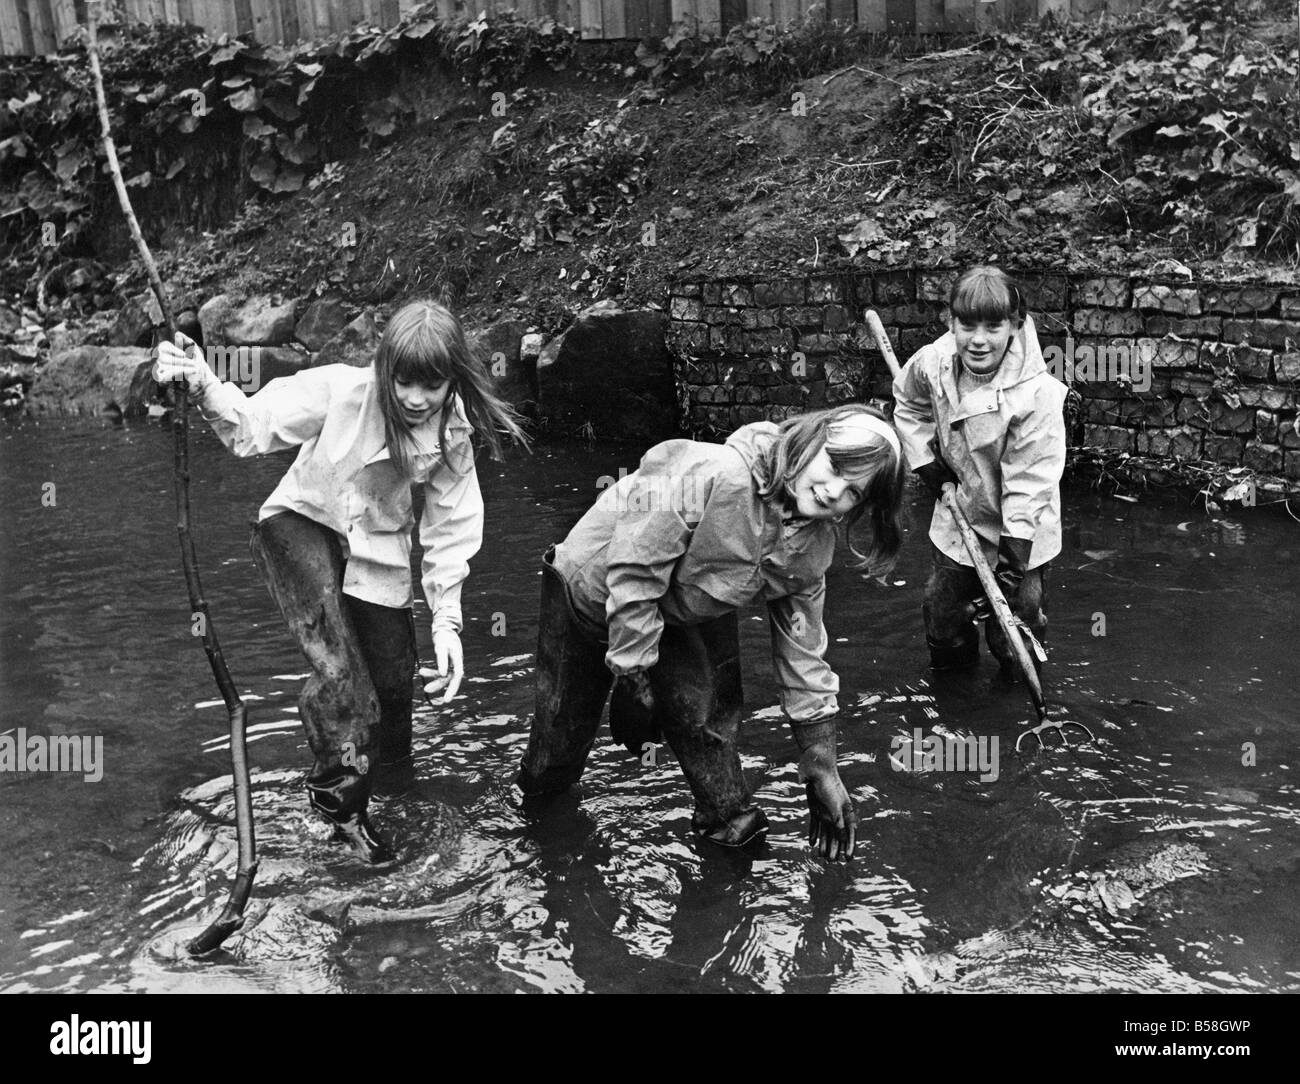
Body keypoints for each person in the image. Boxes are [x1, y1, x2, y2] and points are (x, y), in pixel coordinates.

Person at [153, 300, 526, 864]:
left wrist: (447, 621)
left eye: (431, 385)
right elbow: (250, 426)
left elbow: (451, 527)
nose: (416, 399)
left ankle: (395, 789)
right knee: (343, 677)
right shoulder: (341, 390)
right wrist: (201, 380)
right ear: (385, 370)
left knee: (394, 684)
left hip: (377, 545)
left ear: (453, 380)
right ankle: (341, 811)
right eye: (403, 383)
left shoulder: (453, 430)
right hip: (302, 524)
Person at [516, 404, 905, 861]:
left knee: (713, 743)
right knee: (557, 748)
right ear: (810, 441)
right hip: (591, 591)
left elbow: (803, 651)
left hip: (689, 607)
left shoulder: (812, 547)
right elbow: (636, 569)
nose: (832, 490)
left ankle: (728, 853)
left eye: (853, 492)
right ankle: (540, 842)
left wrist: (821, 760)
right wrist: (633, 676)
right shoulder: (716, 473)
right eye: (835, 467)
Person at [892, 265, 1067, 678]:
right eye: (967, 325)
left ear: (1016, 324)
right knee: (943, 613)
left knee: (1016, 628)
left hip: (1022, 531)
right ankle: (955, 695)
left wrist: (1011, 567)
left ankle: (1014, 692)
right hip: (959, 511)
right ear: (951, 321)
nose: (978, 340)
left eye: (993, 327)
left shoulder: (1037, 394)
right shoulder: (934, 361)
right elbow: (908, 403)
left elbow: (1028, 484)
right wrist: (927, 464)